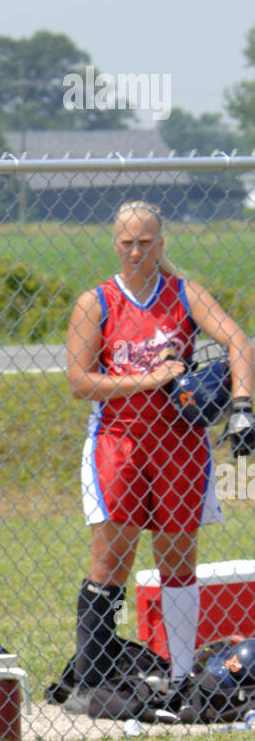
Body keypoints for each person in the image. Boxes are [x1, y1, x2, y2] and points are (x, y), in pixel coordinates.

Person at [64, 200, 255, 713]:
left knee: (177, 561)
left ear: (161, 243)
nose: (135, 251)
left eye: (145, 241)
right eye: (126, 242)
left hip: (181, 446)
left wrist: (241, 407)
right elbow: (81, 382)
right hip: (119, 441)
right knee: (111, 560)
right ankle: (92, 679)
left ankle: (180, 674)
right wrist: (147, 379)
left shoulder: (182, 294)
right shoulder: (97, 301)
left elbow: (239, 339)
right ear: (115, 245)